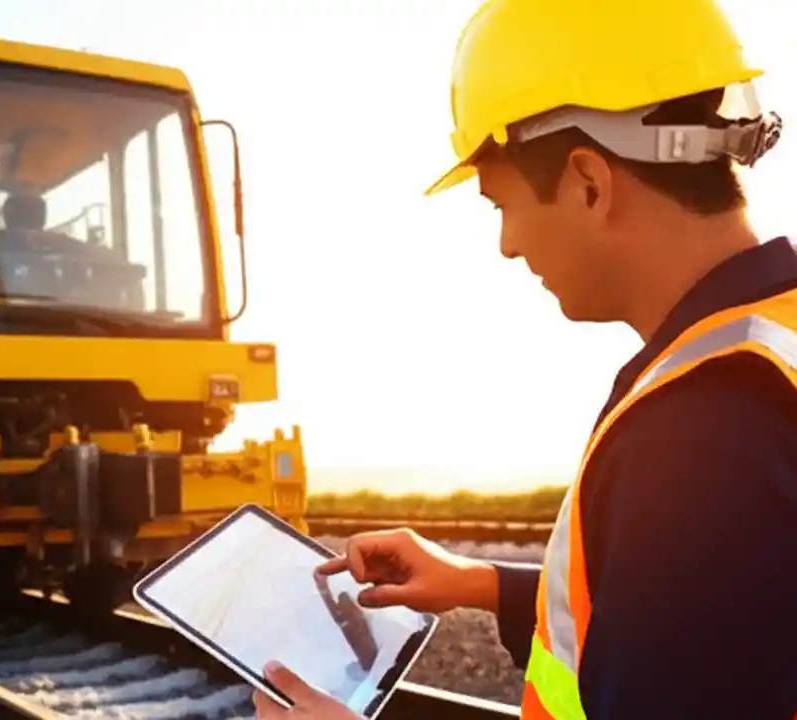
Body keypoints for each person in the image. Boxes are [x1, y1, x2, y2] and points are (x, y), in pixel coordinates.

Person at [253, 1, 797, 718]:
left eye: (501, 205)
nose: (508, 244)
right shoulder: (769, 346)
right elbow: (712, 618)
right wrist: (480, 583)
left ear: (589, 183)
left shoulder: (697, 434)